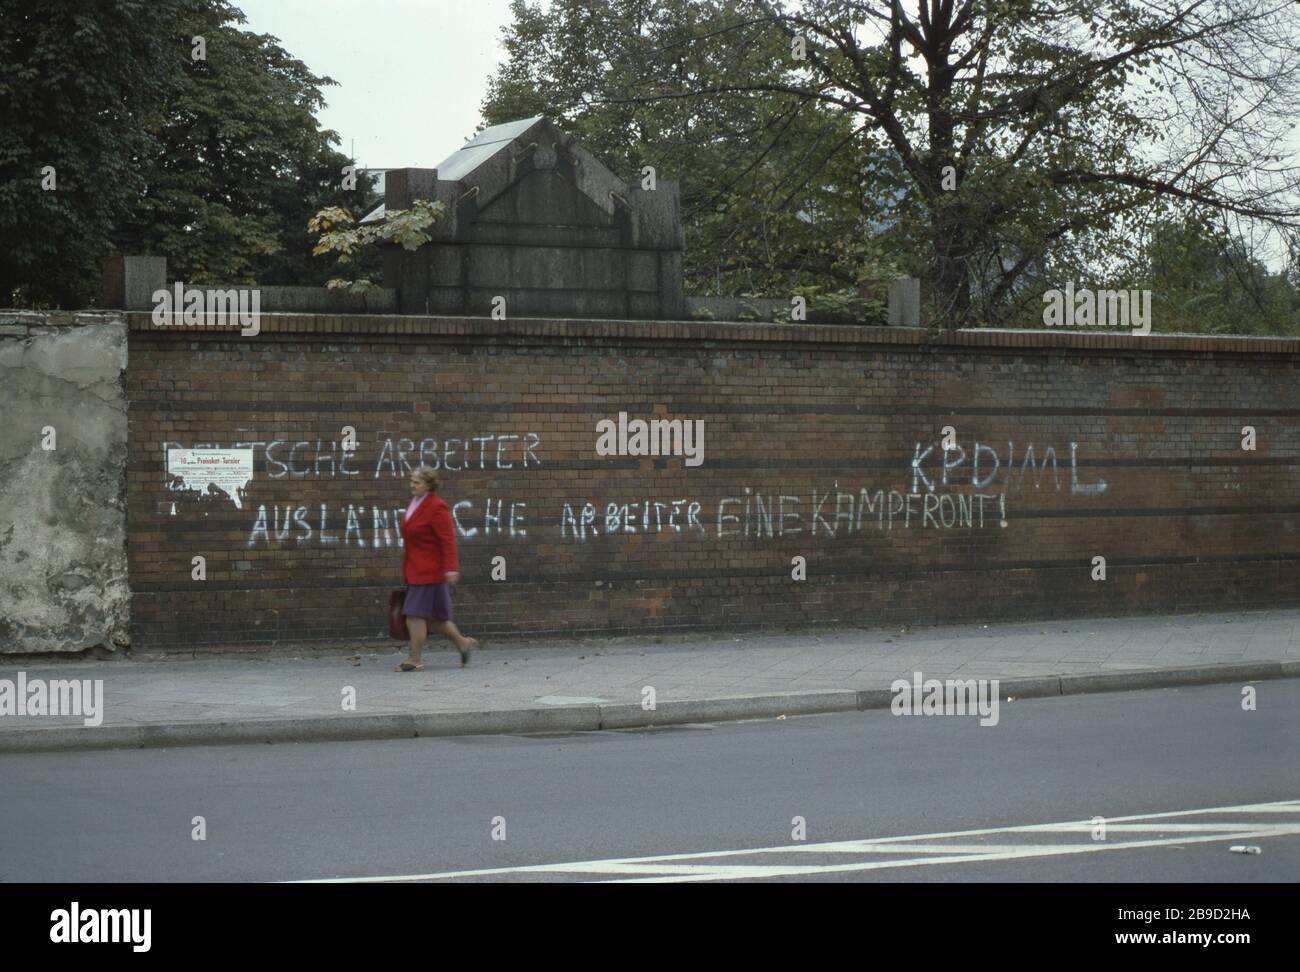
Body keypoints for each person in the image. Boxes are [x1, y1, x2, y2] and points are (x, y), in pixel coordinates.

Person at [395, 465, 477, 672]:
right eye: (411, 481)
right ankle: (463, 643)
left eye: (417, 482)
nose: (412, 485)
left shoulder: (436, 506)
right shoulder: (416, 503)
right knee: (434, 619)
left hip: (428, 571)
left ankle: (415, 659)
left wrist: (451, 568)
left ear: (429, 485)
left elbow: (447, 539)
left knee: (413, 614)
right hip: (416, 568)